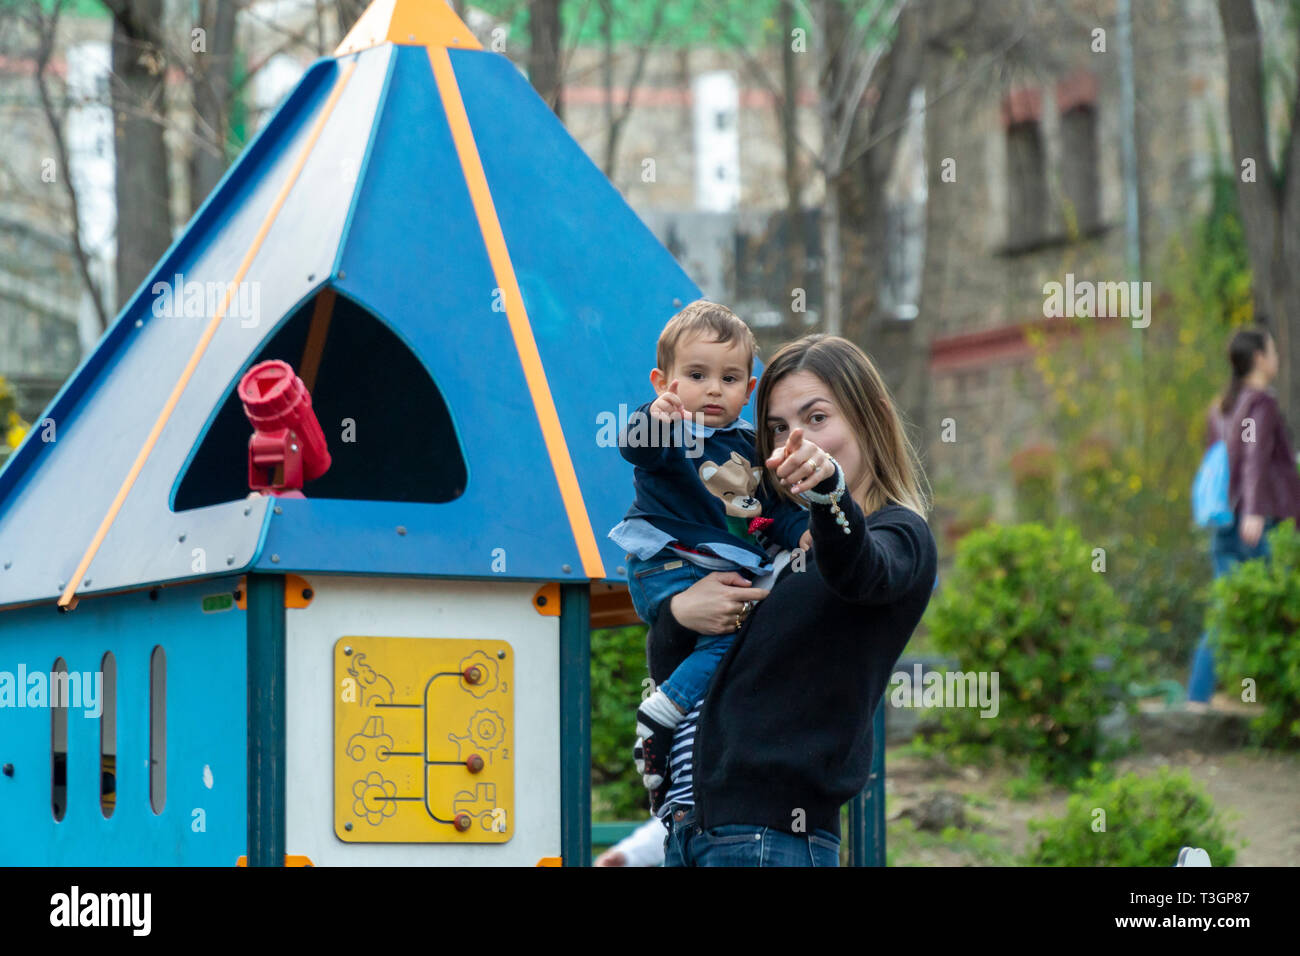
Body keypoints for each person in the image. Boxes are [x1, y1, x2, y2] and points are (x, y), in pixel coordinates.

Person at [644, 333, 937, 866]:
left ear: (869, 417)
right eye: (777, 427)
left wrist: (829, 494)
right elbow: (678, 666)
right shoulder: (770, 538)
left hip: (769, 835)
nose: (793, 441)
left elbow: (859, 568)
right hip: (691, 827)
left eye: (817, 417)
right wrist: (678, 614)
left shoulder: (900, 533)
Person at [607, 300, 810, 798]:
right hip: (667, 563)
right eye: (696, 375)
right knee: (733, 630)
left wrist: (802, 530)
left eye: (730, 378)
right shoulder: (668, 431)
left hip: (719, 561)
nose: (714, 389)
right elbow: (636, 448)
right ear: (663, 381)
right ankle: (665, 710)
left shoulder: (750, 446)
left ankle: (675, 747)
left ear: (750, 389)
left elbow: (764, 514)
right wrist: (655, 418)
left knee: (746, 624)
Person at [1188, 325, 1300, 708]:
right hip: (1258, 523)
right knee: (1283, 604)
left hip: (1223, 520)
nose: (1277, 357)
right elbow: (1252, 457)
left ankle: (1197, 697)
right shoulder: (1259, 404)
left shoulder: (1221, 407)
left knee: (1225, 609)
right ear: (1258, 359)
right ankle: (1281, 697)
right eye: (1272, 350)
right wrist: (1254, 509)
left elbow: (1218, 463)